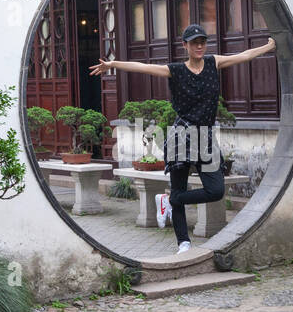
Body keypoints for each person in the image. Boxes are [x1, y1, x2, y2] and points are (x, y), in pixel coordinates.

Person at [89, 23, 275, 253]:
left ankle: (170, 201)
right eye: (194, 42)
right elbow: (142, 67)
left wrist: (269, 47)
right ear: (185, 45)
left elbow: (244, 55)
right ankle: (183, 243)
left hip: (205, 136)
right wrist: (113, 64)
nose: (199, 46)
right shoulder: (175, 70)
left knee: (215, 191)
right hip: (181, 135)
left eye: (203, 42)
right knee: (179, 186)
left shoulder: (213, 62)